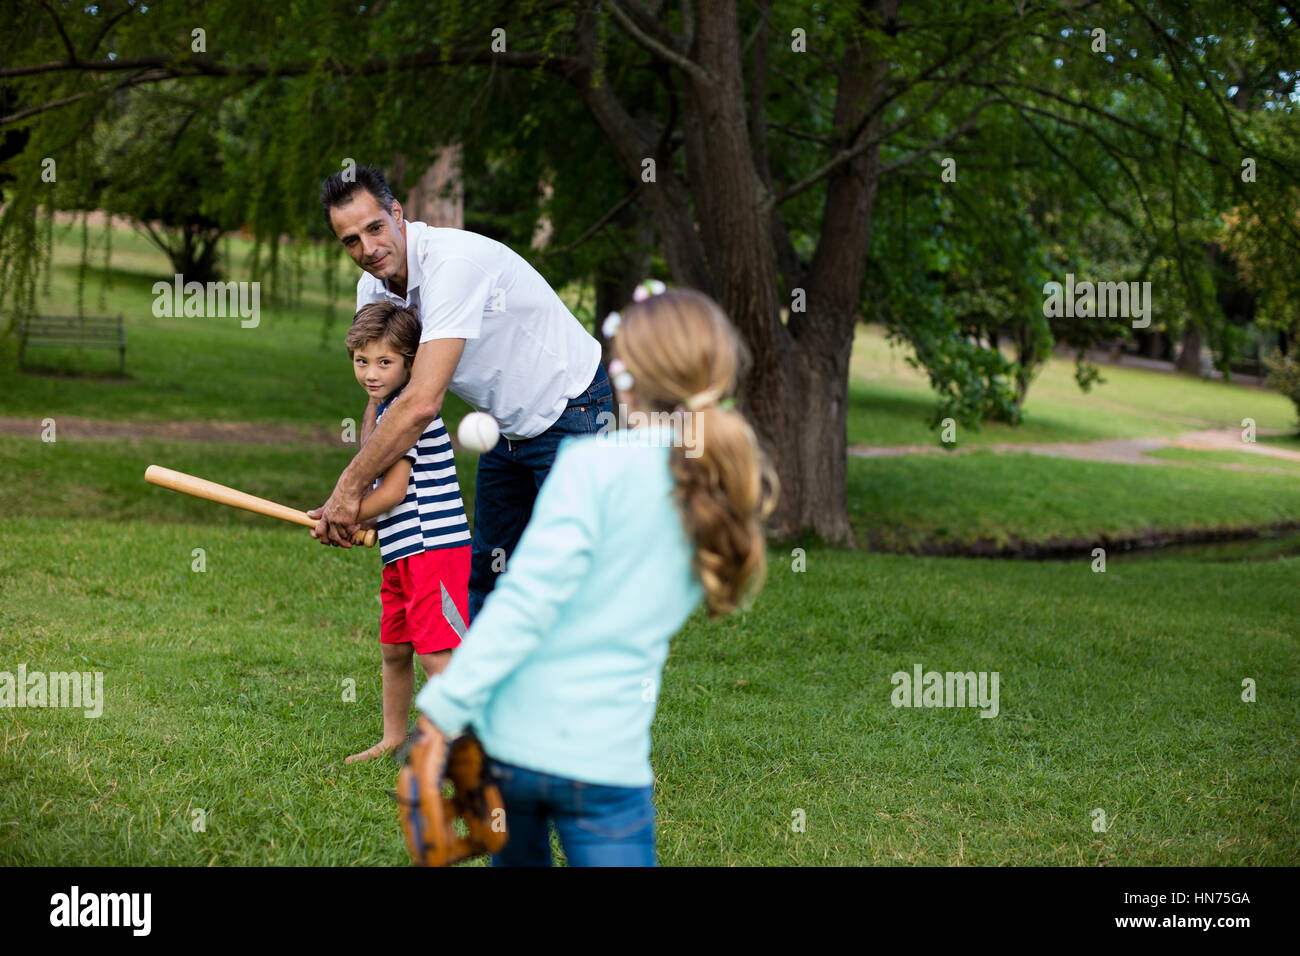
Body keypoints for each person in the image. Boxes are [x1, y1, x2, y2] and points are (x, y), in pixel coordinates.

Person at [413, 285, 779, 866]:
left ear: (624, 377)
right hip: (610, 766)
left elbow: (526, 603)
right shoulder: (714, 490)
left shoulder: (593, 465)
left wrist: (445, 706)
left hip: (516, 751)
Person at [309, 165, 611, 622]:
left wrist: (348, 491)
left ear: (397, 212)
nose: (367, 249)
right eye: (351, 240)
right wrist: (366, 496)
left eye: (375, 228)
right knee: (490, 572)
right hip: (502, 427)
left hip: (571, 408)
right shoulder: (373, 287)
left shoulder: (450, 267)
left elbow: (422, 402)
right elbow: (386, 397)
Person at [344, 302, 471, 763]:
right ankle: (393, 738)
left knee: (438, 656)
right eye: (362, 361)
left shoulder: (410, 415)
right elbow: (375, 472)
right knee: (395, 649)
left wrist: (345, 513)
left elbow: (394, 491)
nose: (371, 373)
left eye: (385, 362)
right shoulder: (384, 411)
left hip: (433, 550)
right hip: (402, 552)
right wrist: (358, 517)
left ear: (410, 364)